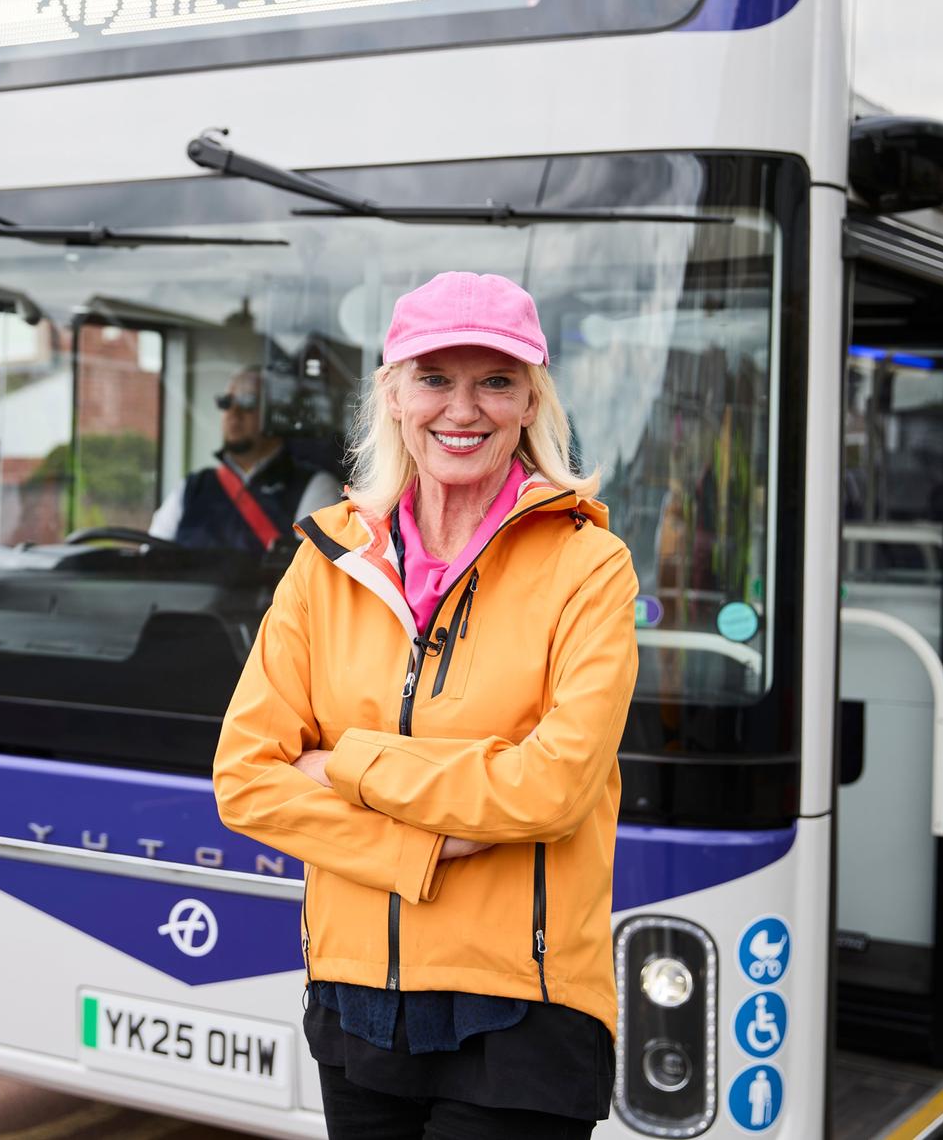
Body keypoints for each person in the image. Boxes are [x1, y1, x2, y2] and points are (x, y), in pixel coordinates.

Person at [213, 271, 638, 1139]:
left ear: (531, 401)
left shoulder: (592, 566)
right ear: (395, 394)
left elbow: (553, 788)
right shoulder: (326, 561)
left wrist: (345, 763)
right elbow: (246, 780)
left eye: (496, 381)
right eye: (436, 378)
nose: (463, 408)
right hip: (356, 998)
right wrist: (427, 844)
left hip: (525, 1007)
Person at [148, 365, 341, 551]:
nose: (233, 413)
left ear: (277, 414)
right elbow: (151, 556)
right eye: (226, 402)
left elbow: (311, 567)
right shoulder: (192, 488)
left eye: (248, 402)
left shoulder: (315, 486)